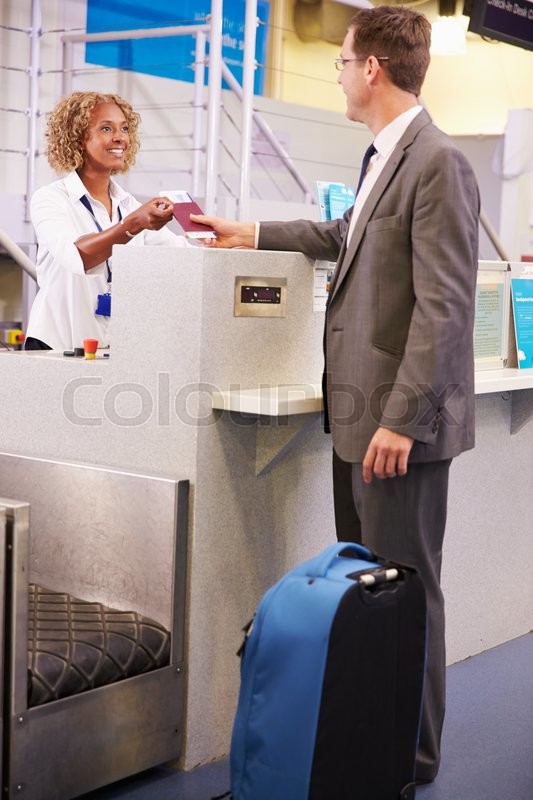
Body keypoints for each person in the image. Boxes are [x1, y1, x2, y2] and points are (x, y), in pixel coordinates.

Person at [191, 5, 480, 785]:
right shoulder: (381, 156)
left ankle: (412, 757)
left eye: (343, 61)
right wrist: (248, 232)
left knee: (408, 589)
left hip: (395, 427)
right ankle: (375, 737)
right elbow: (344, 236)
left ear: (372, 70)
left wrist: (401, 420)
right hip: (356, 420)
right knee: (370, 586)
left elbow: (445, 307)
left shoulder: (437, 160)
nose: (340, 74)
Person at [25, 91, 190, 352]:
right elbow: (77, 256)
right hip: (54, 345)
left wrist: (218, 239)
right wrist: (134, 225)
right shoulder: (51, 199)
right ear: (78, 139)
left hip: (106, 350)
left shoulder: (128, 205)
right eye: (106, 128)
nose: (120, 138)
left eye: (124, 128)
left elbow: (182, 253)